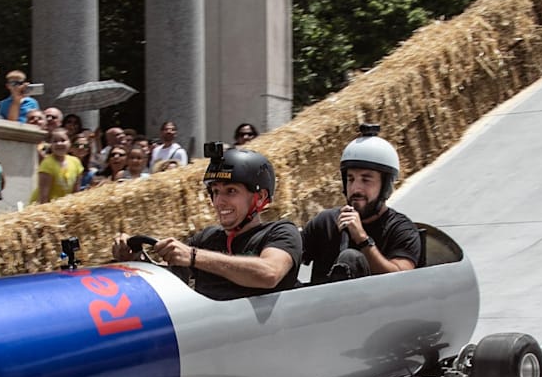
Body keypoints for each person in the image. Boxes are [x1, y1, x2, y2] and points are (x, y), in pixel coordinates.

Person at [112, 146, 300, 301]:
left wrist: (193, 256)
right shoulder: (208, 237)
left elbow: (269, 274)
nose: (219, 202)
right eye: (215, 192)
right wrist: (136, 261)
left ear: (260, 198)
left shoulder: (280, 231)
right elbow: (171, 279)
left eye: (231, 191)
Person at [301, 126, 423, 284]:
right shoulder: (325, 222)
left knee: (351, 258)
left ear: (385, 186)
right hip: (320, 307)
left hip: (375, 307)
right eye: (351, 179)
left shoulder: (401, 230)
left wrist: (363, 240)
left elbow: (402, 281)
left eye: (366, 180)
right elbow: (288, 256)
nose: (355, 188)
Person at [36, 128, 83, 203]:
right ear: (51, 144)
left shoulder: (75, 162)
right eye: (55, 141)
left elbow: (76, 192)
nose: (59, 144)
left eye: (63, 140)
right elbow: (43, 196)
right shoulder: (47, 164)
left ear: (70, 142)